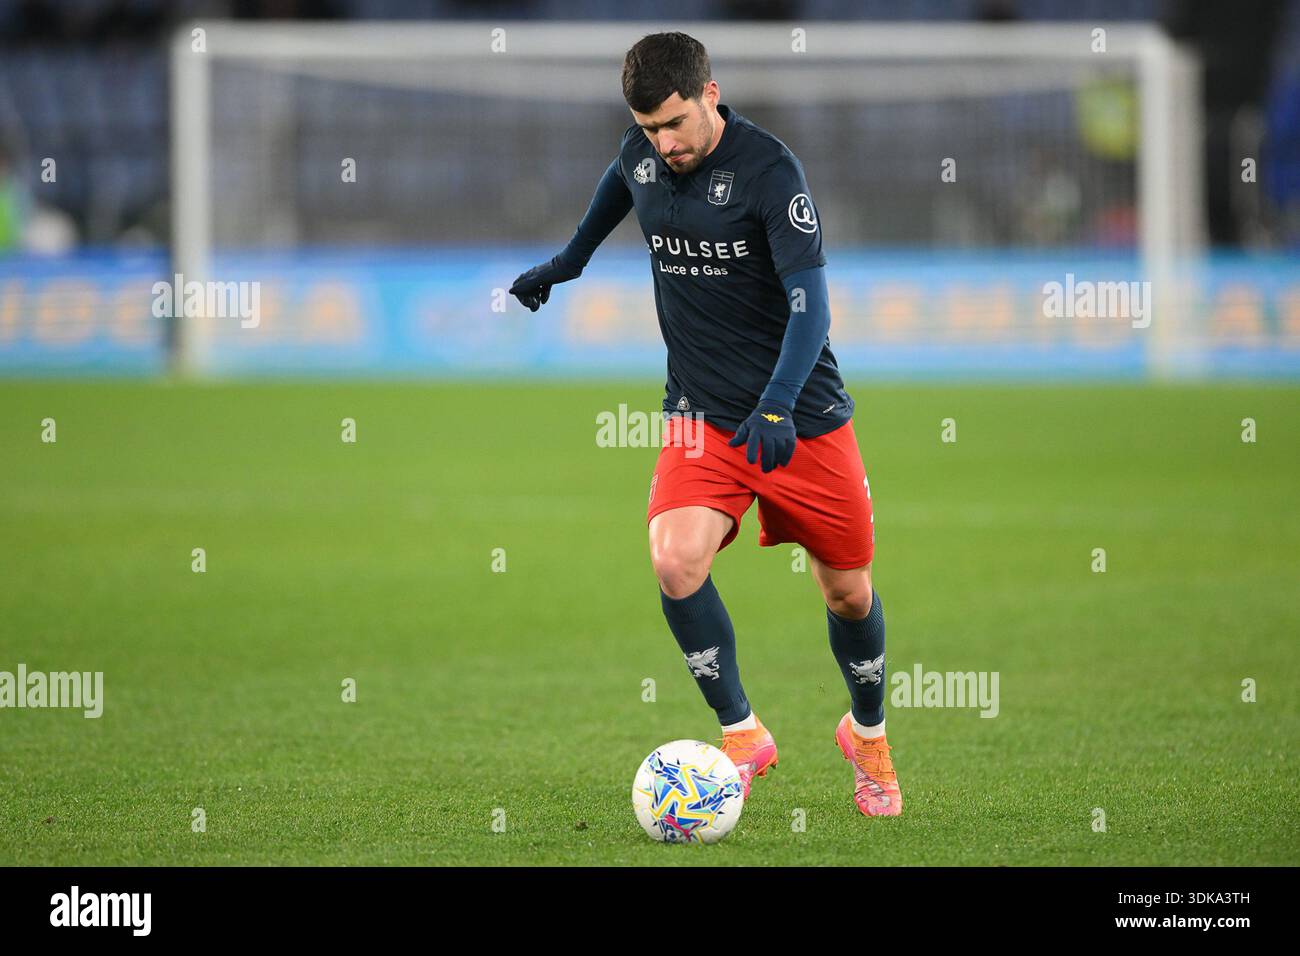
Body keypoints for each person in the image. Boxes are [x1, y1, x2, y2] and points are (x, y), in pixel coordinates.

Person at [510, 32, 900, 817]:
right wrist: (571, 260)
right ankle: (742, 731)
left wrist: (782, 401)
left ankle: (868, 736)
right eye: (649, 127)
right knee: (674, 561)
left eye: (677, 123)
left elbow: (810, 305)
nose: (665, 143)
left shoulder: (770, 171)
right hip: (700, 416)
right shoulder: (644, 151)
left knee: (849, 593)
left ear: (711, 94)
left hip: (803, 416)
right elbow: (622, 180)